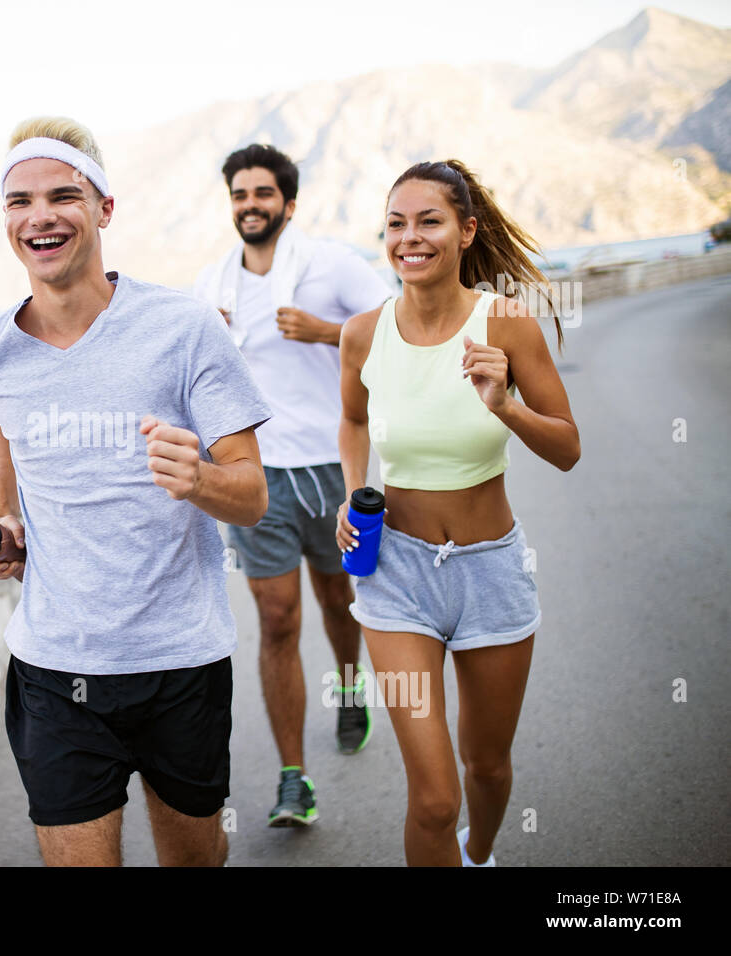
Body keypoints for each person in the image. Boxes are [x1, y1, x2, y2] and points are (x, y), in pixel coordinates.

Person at [0, 117, 271, 867]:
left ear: (103, 208)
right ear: (6, 221)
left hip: (180, 661)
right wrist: (3, 521)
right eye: (19, 202)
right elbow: (8, 435)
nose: (41, 216)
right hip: (57, 668)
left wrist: (199, 481)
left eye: (64, 195)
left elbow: (251, 495)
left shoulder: (183, 328)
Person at [335, 160, 580, 866]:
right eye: (395, 224)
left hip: (492, 574)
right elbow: (351, 422)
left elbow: (567, 448)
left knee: (488, 768)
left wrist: (505, 406)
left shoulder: (505, 325)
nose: (409, 238)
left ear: (467, 230)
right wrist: (353, 490)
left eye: (429, 221)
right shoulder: (362, 334)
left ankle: (482, 855)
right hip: (396, 577)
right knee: (436, 800)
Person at [194, 144, 392, 828]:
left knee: (339, 600)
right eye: (239, 194)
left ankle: (347, 684)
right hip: (256, 478)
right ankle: (293, 780)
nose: (249, 204)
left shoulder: (331, 265)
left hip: (335, 468)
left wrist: (326, 331)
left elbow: (398, 332)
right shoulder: (212, 287)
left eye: (261, 193)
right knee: (277, 620)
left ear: (289, 204)